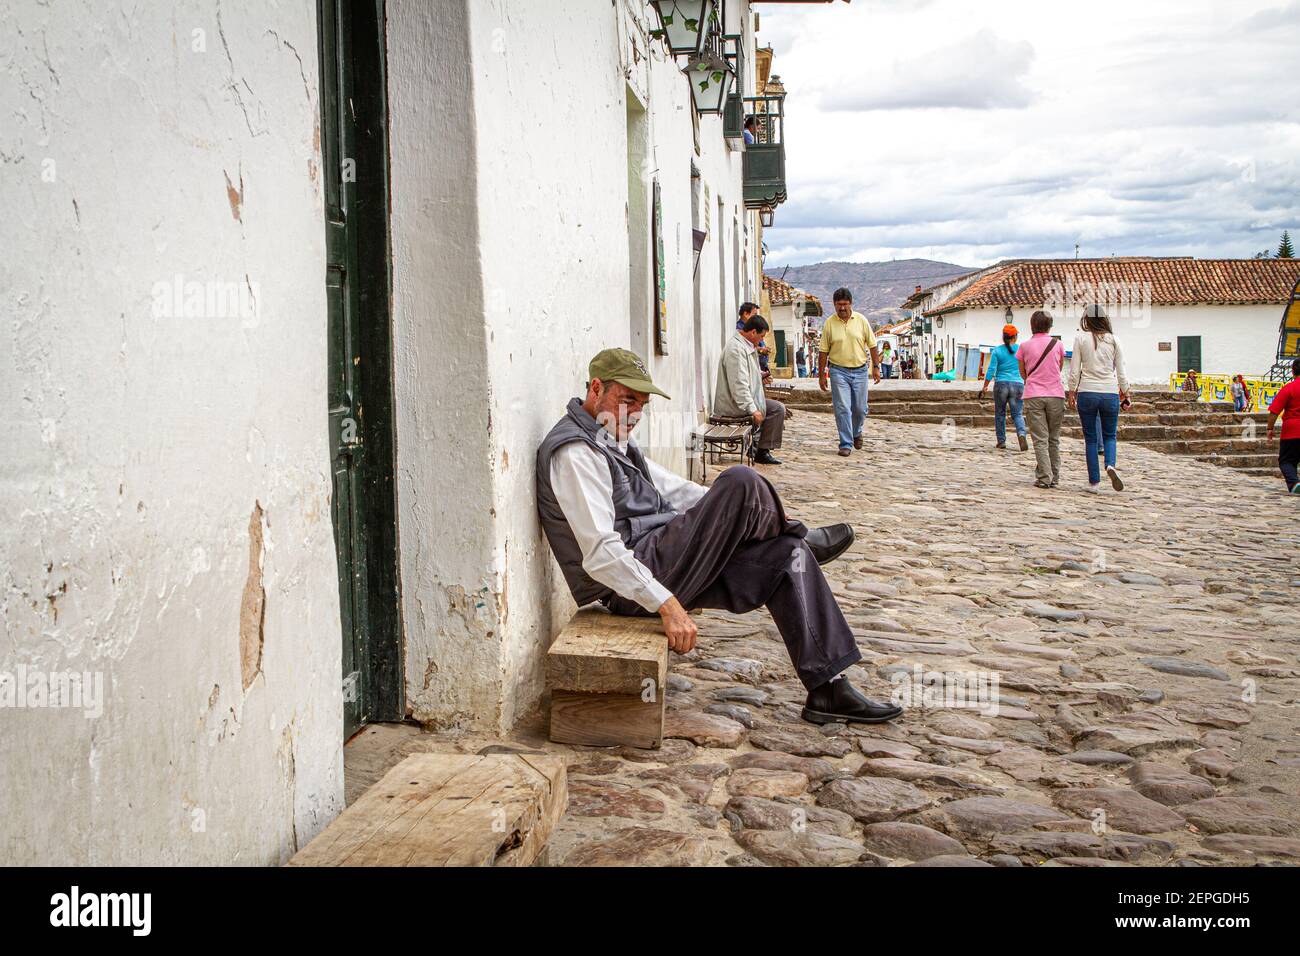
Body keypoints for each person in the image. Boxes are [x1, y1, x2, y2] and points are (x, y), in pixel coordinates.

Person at [536, 348, 904, 724]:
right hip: (629, 586)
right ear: (596, 388)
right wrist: (666, 604)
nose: (635, 414)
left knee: (786, 554)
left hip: (663, 559)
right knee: (740, 480)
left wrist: (752, 515)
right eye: (627, 400)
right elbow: (601, 553)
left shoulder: (611, 437)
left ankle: (828, 688)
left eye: (641, 405)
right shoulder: (576, 452)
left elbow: (671, 490)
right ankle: (803, 534)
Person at [1068, 304, 1130, 492]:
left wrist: (1071, 391)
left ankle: (1094, 482)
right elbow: (1121, 371)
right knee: (1110, 435)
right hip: (1110, 392)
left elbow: (1074, 370)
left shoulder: (1080, 338)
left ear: (1086, 319)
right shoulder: (1114, 340)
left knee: (1091, 439)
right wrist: (1126, 392)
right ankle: (1110, 464)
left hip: (1087, 391)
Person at [715, 314, 786, 465]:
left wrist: (760, 376)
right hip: (733, 405)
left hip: (746, 400)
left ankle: (761, 450)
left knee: (778, 409)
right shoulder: (735, 350)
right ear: (753, 332)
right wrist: (753, 410)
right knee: (775, 410)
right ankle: (757, 449)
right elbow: (738, 385)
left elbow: (746, 374)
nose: (761, 341)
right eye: (761, 336)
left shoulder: (745, 346)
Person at [818, 288, 881, 457]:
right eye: (839, 305)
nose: (842, 308)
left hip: (860, 370)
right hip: (838, 370)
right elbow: (823, 351)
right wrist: (821, 376)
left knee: (860, 408)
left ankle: (856, 432)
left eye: (845, 304)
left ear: (851, 304)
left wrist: (876, 367)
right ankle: (845, 443)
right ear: (834, 305)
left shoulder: (861, 320)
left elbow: (873, 345)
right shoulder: (829, 324)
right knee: (843, 408)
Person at [1017, 311, 1066, 488]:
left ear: (1032, 325)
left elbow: (1023, 373)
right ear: (1049, 325)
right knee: (1053, 438)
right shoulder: (1058, 344)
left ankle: (1044, 477)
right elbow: (1059, 367)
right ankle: (1055, 476)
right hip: (1056, 395)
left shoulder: (1024, 346)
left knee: (1039, 439)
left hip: (1033, 395)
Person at [979, 324, 1028, 451]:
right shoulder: (1021, 349)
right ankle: (1021, 434)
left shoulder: (997, 351)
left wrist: (985, 386)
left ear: (1003, 337)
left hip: (1001, 385)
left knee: (1000, 414)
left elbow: (991, 370)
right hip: (1017, 384)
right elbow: (1026, 368)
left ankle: (1001, 441)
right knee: (1017, 414)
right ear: (1015, 337)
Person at [1266, 358, 1300, 494]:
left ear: (1293, 371)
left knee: (1286, 461)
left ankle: (1294, 483)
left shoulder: (1289, 388)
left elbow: (1274, 412)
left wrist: (1269, 429)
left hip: (1291, 432)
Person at [737, 302, 771, 383]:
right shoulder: (741, 330)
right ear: (746, 314)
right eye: (754, 314)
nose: (756, 317)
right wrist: (761, 350)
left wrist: (760, 374)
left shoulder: (752, 329)